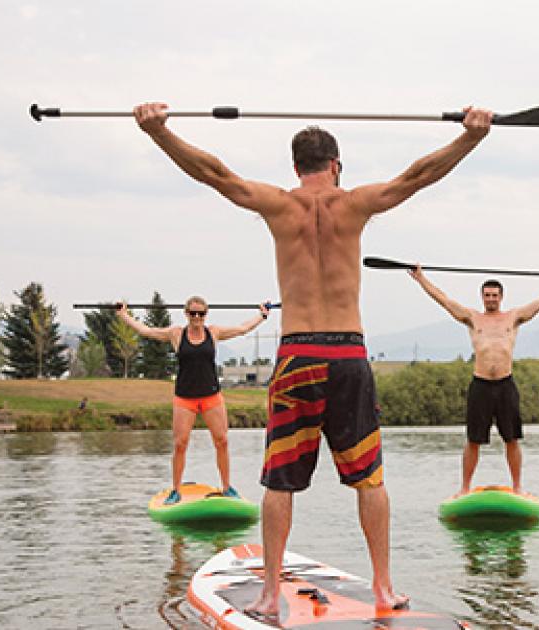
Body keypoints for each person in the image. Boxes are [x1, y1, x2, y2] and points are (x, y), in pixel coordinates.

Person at [133, 101, 492, 614]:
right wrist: (470, 139)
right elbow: (418, 176)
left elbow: (213, 173)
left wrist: (159, 133)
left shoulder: (278, 204)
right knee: (370, 477)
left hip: (299, 356)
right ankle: (384, 587)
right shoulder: (357, 203)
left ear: (295, 168)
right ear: (336, 164)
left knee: (281, 480)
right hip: (348, 355)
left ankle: (268, 593)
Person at [409, 267, 539, 496]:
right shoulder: (472, 318)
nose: (491, 299)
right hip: (480, 385)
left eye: (495, 295)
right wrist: (421, 278)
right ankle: (464, 488)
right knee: (473, 440)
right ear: (482, 297)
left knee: (512, 438)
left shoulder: (513, 317)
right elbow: (443, 300)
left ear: (501, 297)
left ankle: (518, 486)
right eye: (487, 295)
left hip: (505, 385)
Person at [116, 297, 268, 504]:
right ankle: (176, 490)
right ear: (186, 314)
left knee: (222, 441)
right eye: (193, 313)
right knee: (180, 444)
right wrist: (124, 315)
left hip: (211, 396)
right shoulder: (176, 334)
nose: (197, 317)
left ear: (206, 314)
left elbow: (242, 329)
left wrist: (262, 315)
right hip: (184, 398)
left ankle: (227, 487)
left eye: (201, 314)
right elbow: (147, 331)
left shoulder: (213, 332)